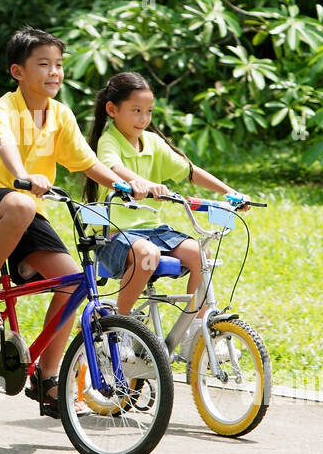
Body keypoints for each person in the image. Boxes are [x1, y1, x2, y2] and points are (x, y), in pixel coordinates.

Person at [0, 26, 147, 417]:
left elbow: (86, 162)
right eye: (43, 64)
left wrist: (124, 183)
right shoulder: (3, 110)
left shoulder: (60, 115)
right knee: (22, 206)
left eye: (58, 64)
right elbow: (4, 144)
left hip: (27, 210)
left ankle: (47, 375)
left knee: (74, 282)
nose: (54, 72)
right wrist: (23, 175)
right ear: (18, 71)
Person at [84, 71, 247, 321]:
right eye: (136, 110)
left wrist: (229, 192)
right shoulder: (109, 141)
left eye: (149, 111)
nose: (144, 118)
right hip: (114, 235)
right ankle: (122, 327)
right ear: (112, 109)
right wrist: (141, 183)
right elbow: (113, 168)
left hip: (152, 230)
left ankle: (196, 327)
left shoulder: (153, 143)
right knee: (148, 255)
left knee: (199, 255)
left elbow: (190, 172)